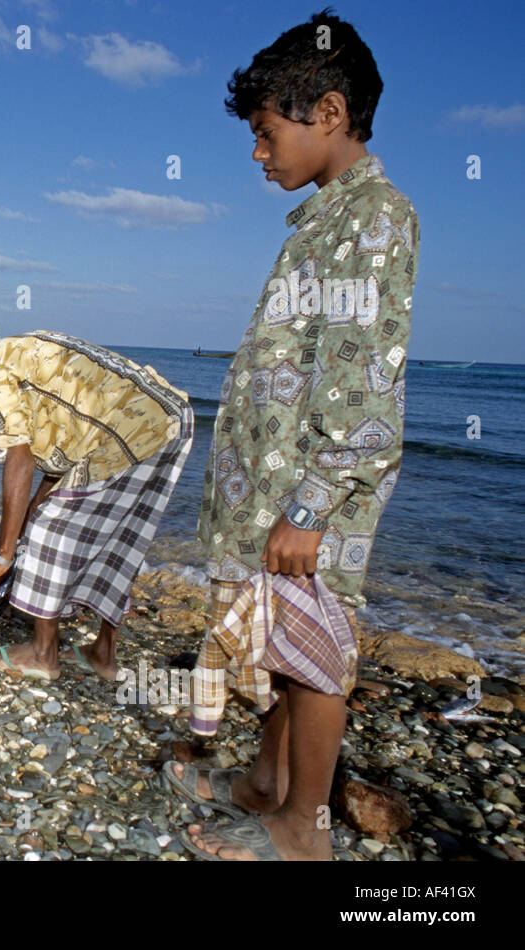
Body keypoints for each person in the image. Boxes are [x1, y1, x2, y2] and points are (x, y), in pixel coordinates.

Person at [173, 11, 419, 861]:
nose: (257, 152)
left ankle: (304, 826)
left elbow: (363, 389)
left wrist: (311, 507)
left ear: (329, 112)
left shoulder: (375, 218)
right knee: (281, 641)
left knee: (316, 650)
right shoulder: (320, 220)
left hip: (314, 492)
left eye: (265, 132)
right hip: (278, 485)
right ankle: (265, 783)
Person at [0, 322, 193, 682]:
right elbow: (58, 463)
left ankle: (44, 655)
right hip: (169, 418)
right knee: (119, 543)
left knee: (50, 531)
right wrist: (20, 530)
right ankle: (103, 654)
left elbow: (20, 459)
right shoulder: (20, 357)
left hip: (135, 427)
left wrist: (2, 555)